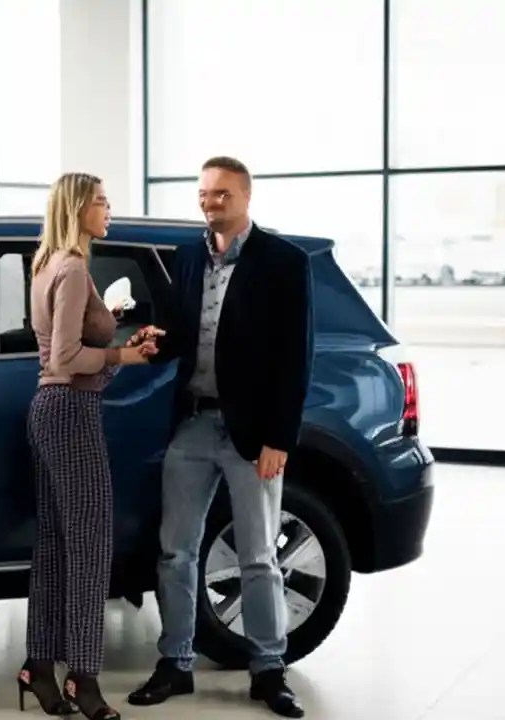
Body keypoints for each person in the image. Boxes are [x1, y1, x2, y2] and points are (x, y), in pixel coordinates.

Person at [126, 156, 313, 718]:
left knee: (257, 556)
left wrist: (280, 437)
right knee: (175, 552)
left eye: (222, 194)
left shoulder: (282, 261)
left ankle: (268, 670)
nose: (211, 203)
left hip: (252, 433)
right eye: (205, 193)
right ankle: (175, 663)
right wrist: (155, 333)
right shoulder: (187, 257)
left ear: (246, 197)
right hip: (192, 423)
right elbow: (182, 329)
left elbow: (293, 357)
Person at [16, 172, 162, 720]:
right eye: (101, 201)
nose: (109, 210)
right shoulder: (74, 268)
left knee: (55, 547)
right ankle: (83, 676)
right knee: (91, 548)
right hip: (71, 411)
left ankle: (39, 666)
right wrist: (124, 355)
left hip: (47, 412)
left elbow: (60, 346)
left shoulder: (46, 263)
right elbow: (64, 359)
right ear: (78, 209)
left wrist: (114, 335)